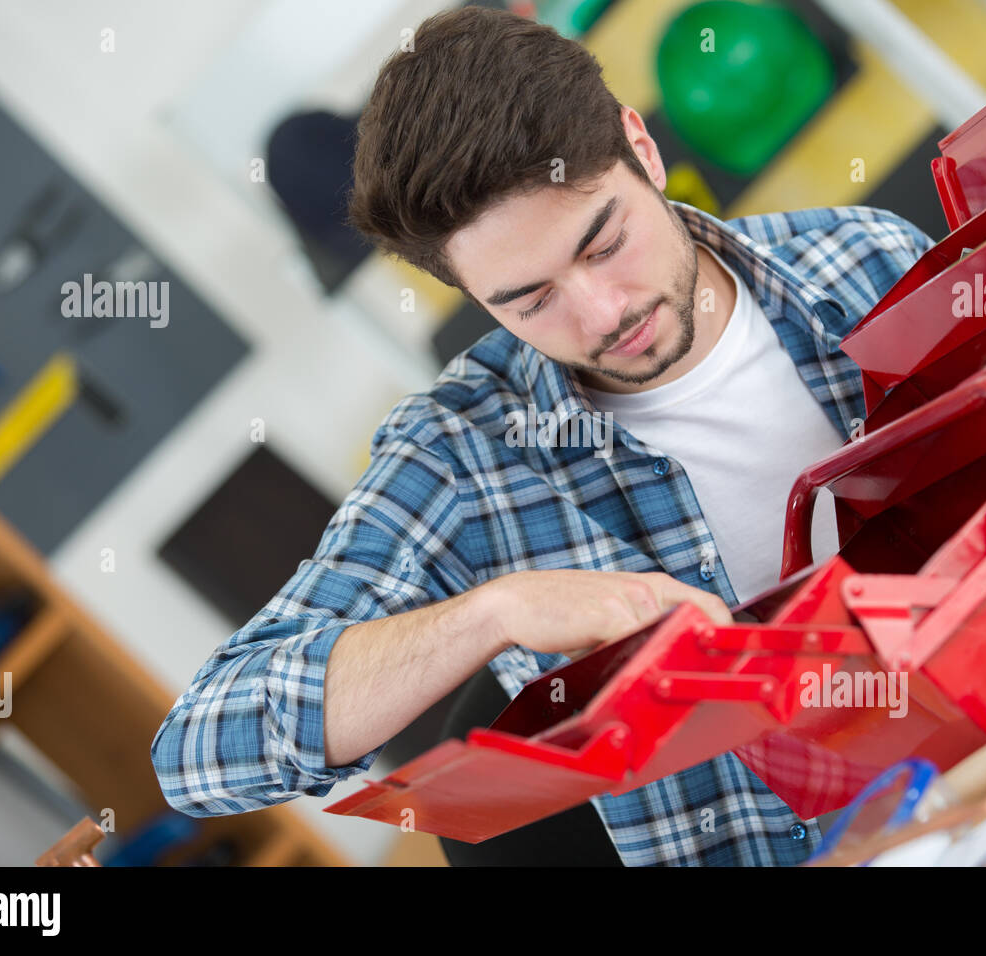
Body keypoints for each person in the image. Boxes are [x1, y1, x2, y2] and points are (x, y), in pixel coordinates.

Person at [150, 5, 935, 866]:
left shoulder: (865, 261)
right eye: (529, 301)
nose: (604, 314)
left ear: (641, 148)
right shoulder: (462, 460)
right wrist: (498, 613)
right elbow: (197, 754)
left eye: (605, 243)